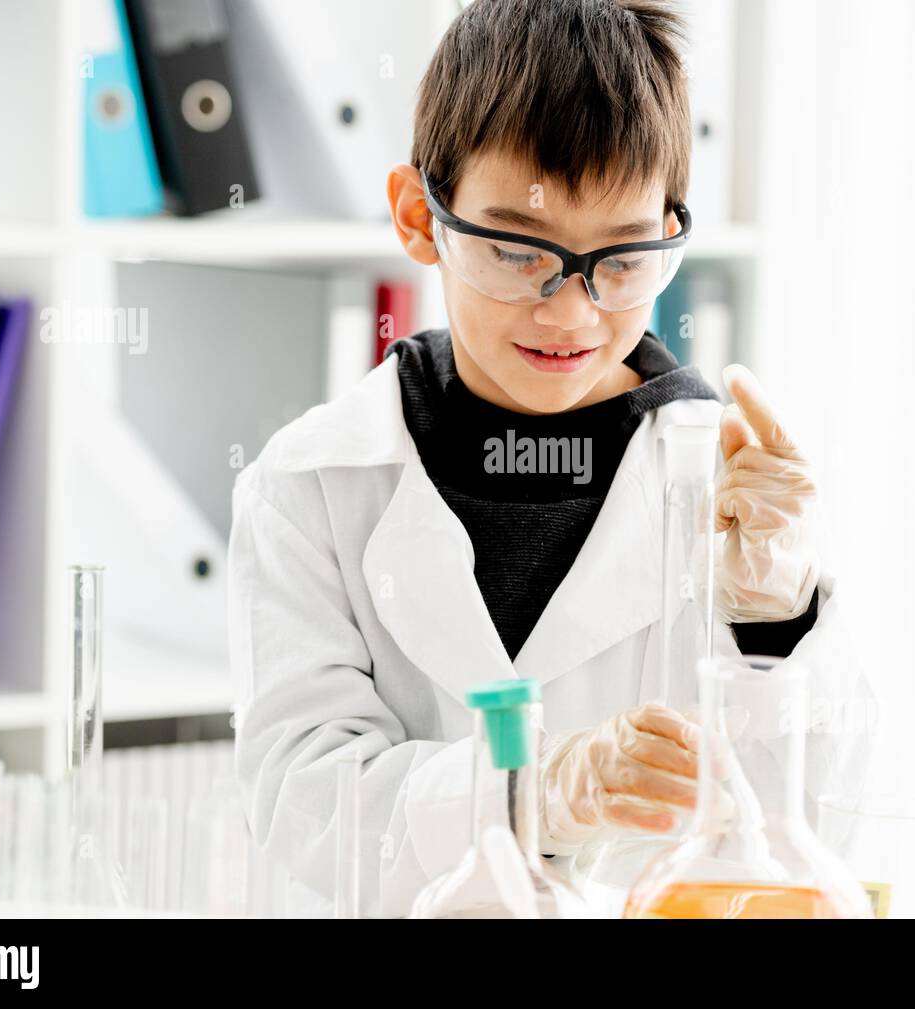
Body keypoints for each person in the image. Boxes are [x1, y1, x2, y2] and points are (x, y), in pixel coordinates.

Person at [228, 0, 873, 917]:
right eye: (515, 248)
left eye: (621, 258)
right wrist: (536, 792)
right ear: (421, 218)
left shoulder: (732, 490)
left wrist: (778, 619)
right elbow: (306, 810)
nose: (570, 313)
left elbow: (816, 832)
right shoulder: (314, 485)